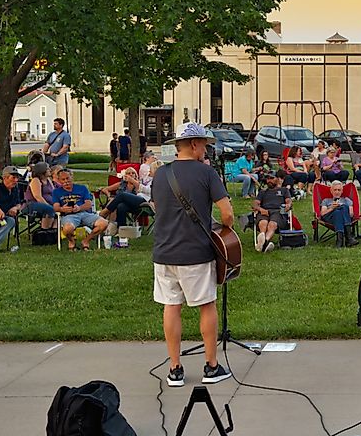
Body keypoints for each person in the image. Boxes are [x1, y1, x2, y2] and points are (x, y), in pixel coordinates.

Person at [151, 122, 235, 387]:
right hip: (195, 252)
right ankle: (211, 366)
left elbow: (157, 207)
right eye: (205, 145)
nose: (206, 150)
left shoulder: (160, 174)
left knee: (171, 306)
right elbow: (227, 213)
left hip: (164, 251)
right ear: (195, 144)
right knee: (206, 305)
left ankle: (174, 368)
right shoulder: (207, 174)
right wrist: (226, 229)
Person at [50, 169, 109, 250]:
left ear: (72, 177)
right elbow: (55, 207)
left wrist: (79, 208)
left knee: (104, 223)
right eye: (63, 179)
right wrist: (63, 209)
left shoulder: (82, 188)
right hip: (69, 215)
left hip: (85, 213)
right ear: (59, 180)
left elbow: (88, 204)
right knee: (67, 229)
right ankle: (71, 241)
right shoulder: (56, 192)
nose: (66, 181)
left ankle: (86, 241)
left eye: (67, 178)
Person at [100, 166, 150, 237]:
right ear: (125, 176)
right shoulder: (121, 184)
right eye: (128, 173)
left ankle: (104, 214)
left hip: (136, 207)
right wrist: (109, 196)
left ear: (136, 175)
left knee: (121, 196)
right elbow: (105, 189)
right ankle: (121, 229)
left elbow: (144, 193)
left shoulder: (139, 185)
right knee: (120, 206)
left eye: (133, 173)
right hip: (121, 206)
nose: (131, 174)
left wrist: (133, 181)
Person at [253, 169, 295, 253]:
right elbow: (255, 204)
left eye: (271, 178)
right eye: (267, 179)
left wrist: (288, 205)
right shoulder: (263, 192)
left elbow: (288, 201)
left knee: (272, 224)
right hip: (264, 211)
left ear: (277, 179)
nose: (269, 181)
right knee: (263, 223)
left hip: (278, 211)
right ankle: (264, 242)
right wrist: (261, 209)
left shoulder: (284, 190)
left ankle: (263, 243)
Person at [320, 180, 358, 247]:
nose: (337, 192)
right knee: (338, 210)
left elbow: (351, 214)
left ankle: (339, 241)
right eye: (335, 190)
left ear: (342, 191)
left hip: (344, 218)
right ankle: (348, 238)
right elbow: (322, 214)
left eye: (339, 190)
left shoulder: (346, 200)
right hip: (330, 218)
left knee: (340, 210)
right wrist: (331, 208)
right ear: (331, 191)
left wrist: (342, 208)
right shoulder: (326, 200)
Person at [23, 161, 56, 229]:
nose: (50, 170)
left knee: (61, 209)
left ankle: (54, 232)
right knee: (49, 209)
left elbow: (54, 193)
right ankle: (44, 231)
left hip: (47, 204)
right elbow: (38, 197)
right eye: (48, 168)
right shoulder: (36, 180)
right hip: (32, 205)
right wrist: (49, 206)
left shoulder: (48, 180)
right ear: (42, 171)